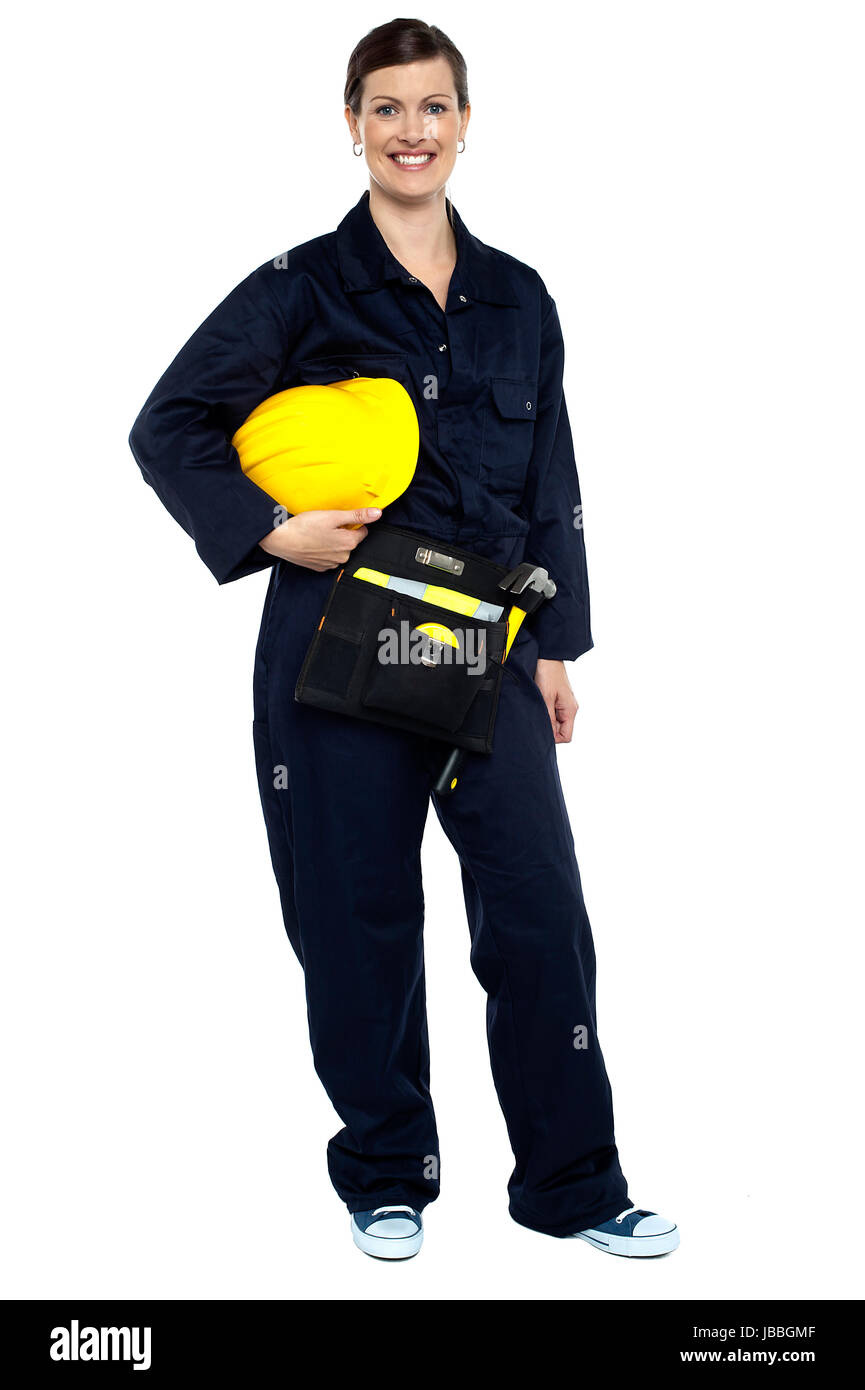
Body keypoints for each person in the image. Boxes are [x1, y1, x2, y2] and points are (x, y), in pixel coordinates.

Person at [128, 17, 678, 1262]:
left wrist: (556, 646)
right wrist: (273, 529)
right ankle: (387, 1170)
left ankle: (575, 1188)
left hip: (480, 642)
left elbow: (554, 479)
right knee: (354, 914)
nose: (412, 131)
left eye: (433, 108)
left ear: (466, 122)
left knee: (538, 911)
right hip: (338, 641)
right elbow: (168, 426)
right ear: (352, 125)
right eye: (386, 108)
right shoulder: (297, 288)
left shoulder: (520, 297)